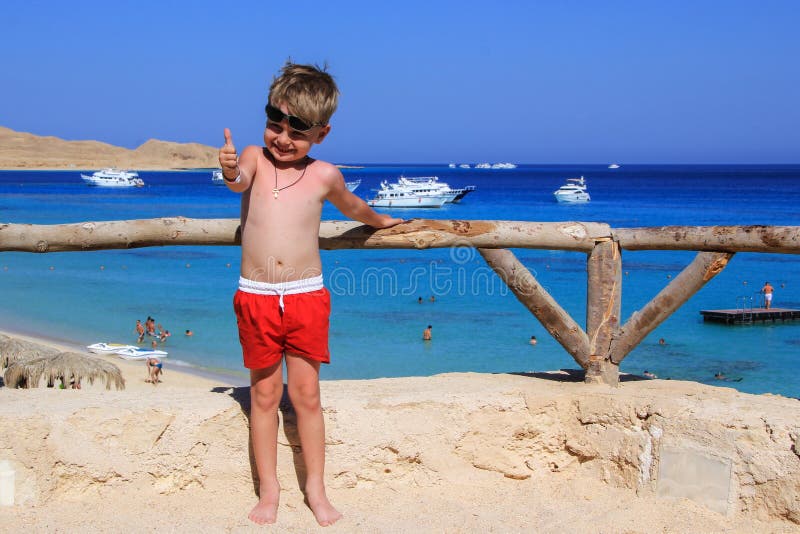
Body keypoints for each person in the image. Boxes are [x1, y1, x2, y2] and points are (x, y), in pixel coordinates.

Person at [219, 62, 403, 527]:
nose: (282, 138)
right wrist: (227, 169)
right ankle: (270, 490)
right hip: (256, 294)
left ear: (321, 134)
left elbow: (353, 206)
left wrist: (384, 222)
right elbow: (238, 179)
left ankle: (316, 489)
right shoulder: (255, 159)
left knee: (306, 395)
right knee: (264, 395)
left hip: (305, 295)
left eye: (296, 132)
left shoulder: (324, 174)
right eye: (274, 124)